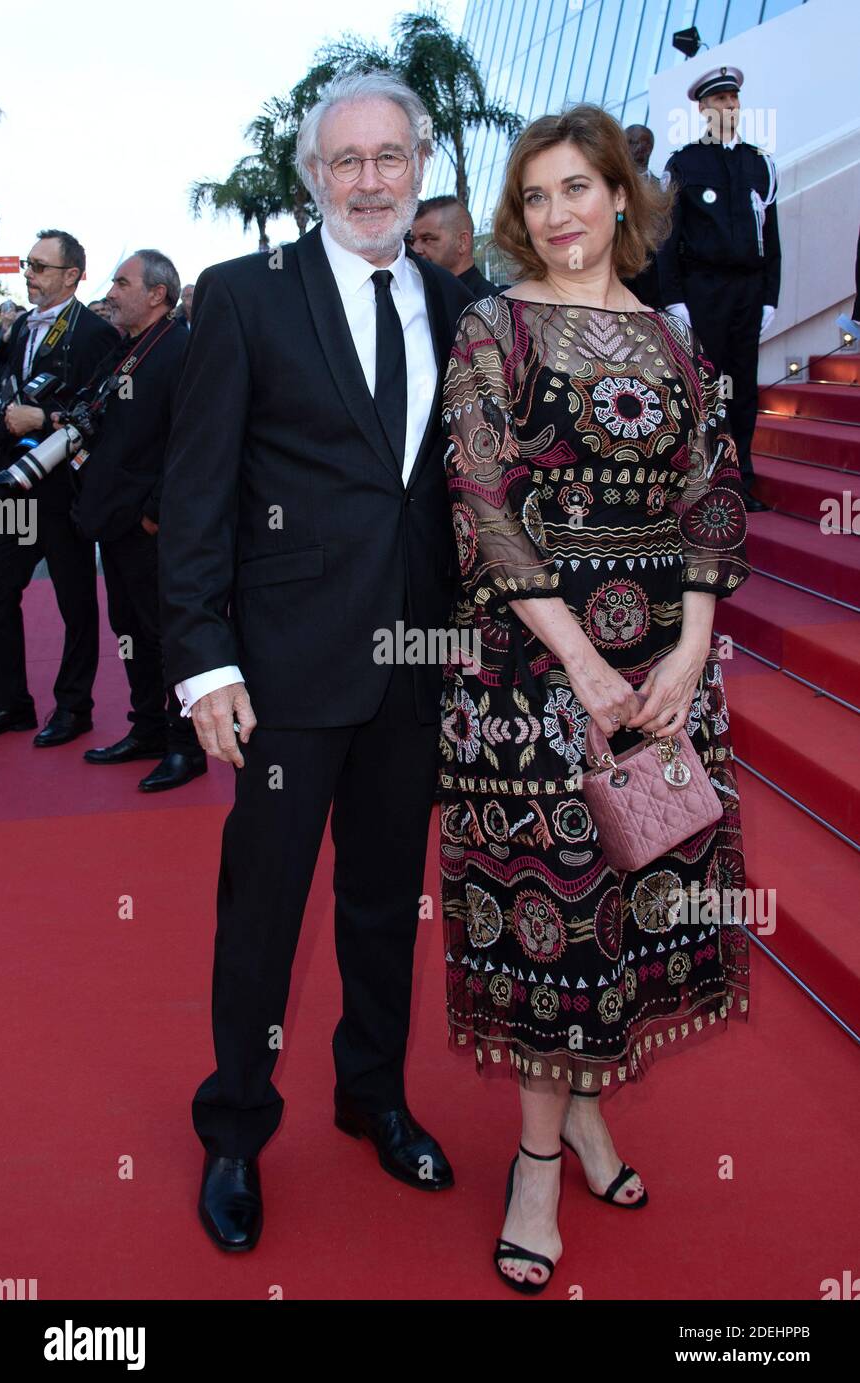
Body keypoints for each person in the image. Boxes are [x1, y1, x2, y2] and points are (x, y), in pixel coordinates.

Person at [158, 70, 473, 1253]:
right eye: (345, 161)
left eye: (389, 157)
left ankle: (372, 1094)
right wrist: (202, 663)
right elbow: (195, 499)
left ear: (419, 164)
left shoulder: (458, 304)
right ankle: (234, 1128)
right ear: (311, 177)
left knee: (386, 902)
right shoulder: (246, 298)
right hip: (283, 671)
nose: (369, 180)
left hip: (416, 661)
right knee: (264, 911)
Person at [439, 104, 751, 1294]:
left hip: (666, 678)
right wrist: (576, 658)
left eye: (577, 188)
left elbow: (710, 501)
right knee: (554, 922)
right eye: (534, 197)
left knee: (632, 912)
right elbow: (478, 499)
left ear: (621, 197)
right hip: (530, 679)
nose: (557, 214)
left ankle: (583, 1116)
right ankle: (534, 1159)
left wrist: (689, 654)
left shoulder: (678, 347)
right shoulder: (491, 329)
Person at [72, 251, 206, 792]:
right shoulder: (127, 350)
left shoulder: (180, 349)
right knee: (129, 631)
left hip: (152, 526)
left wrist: (156, 513)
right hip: (115, 521)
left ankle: (186, 747)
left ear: (157, 294)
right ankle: (147, 729)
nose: (112, 290)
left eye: (122, 282)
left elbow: (191, 442)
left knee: (164, 636)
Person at [0, 230, 119, 744]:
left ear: (72, 276)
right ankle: (11, 702)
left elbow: (106, 414)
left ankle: (73, 708)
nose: (30, 273)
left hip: (65, 490)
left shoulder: (94, 333)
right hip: (12, 490)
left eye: (41, 267)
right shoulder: (20, 327)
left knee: (74, 602)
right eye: (28, 264)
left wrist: (42, 419)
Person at [657, 66, 780, 512]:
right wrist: (674, 299)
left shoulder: (759, 163)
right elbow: (668, 239)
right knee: (704, 389)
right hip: (703, 289)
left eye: (734, 100)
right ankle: (702, 481)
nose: (730, 107)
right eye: (720, 101)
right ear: (703, 109)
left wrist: (771, 296)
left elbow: (773, 236)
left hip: (747, 290)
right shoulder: (685, 163)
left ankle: (741, 479)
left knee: (743, 386)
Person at [410, 195, 500, 298]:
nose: (415, 249)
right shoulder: (419, 299)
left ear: (462, 242)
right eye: (412, 241)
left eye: (427, 239)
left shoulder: (495, 308)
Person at [621, 124, 664, 310]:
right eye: (628, 142)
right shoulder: (611, 185)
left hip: (653, 276)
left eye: (633, 142)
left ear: (649, 147)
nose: (628, 147)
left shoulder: (663, 189)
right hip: (619, 268)